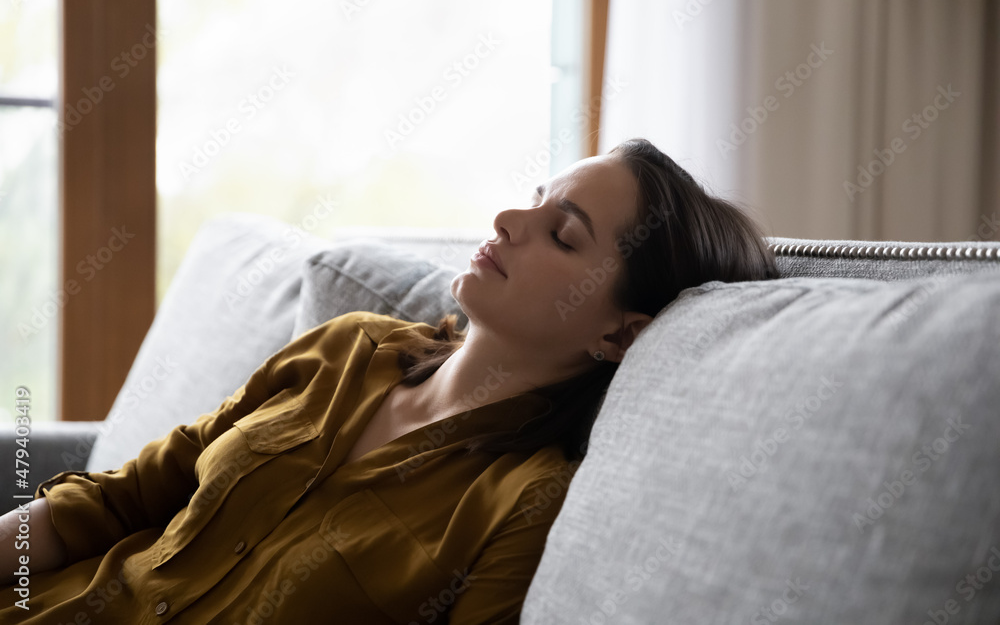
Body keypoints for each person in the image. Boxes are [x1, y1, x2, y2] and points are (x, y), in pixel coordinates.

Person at [0, 138, 779, 622]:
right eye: (534, 199)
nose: (509, 220)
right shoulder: (349, 347)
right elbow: (120, 499)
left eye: (562, 234)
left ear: (618, 332)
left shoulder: (521, 501)